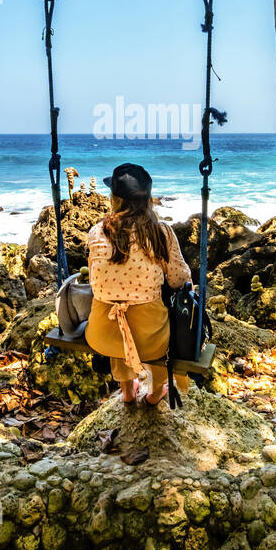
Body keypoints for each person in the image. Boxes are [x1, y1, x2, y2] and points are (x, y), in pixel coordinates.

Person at [84, 163, 192, 407]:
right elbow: (178, 279)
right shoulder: (160, 232)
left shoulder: (96, 231)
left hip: (101, 334)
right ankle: (154, 394)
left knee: (118, 316)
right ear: (148, 199)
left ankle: (128, 391)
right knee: (154, 318)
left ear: (114, 198)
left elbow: (94, 278)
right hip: (151, 339)